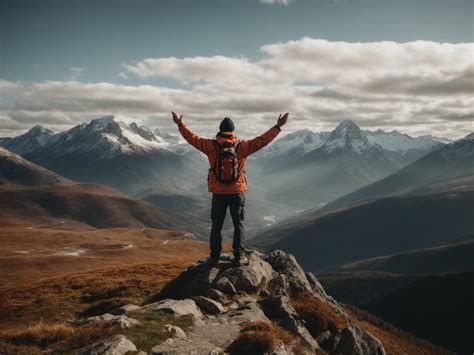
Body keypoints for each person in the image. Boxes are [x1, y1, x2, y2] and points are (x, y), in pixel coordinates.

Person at [171, 111, 289, 265]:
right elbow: (262, 140)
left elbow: (192, 138)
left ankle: (214, 257)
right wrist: (278, 127)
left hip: (218, 193)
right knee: (238, 224)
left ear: (220, 130)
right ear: (233, 131)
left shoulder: (210, 145)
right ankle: (239, 257)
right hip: (236, 192)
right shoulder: (242, 146)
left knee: (217, 226)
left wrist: (180, 125)